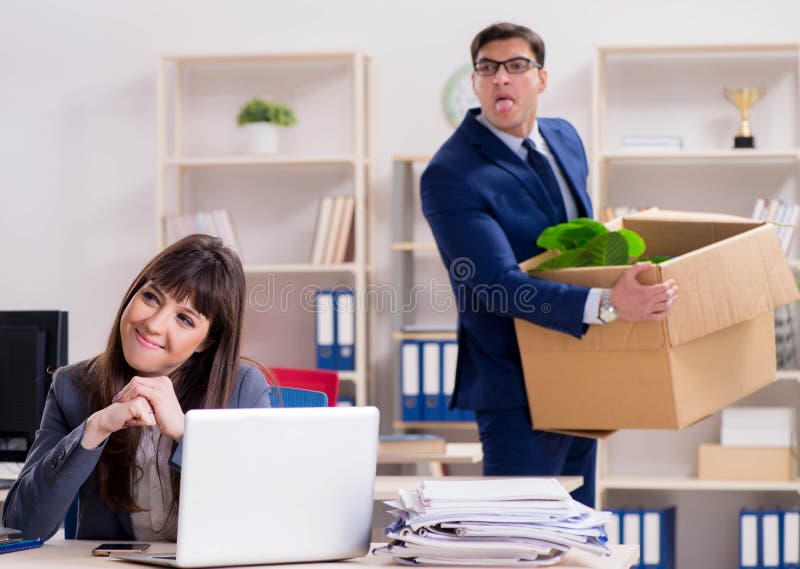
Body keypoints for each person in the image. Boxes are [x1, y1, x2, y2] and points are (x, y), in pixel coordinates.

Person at [421, 22, 678, 507]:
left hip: (581, 369)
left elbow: (579, 244)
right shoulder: (450, 174)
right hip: (514, 387)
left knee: (579, 529)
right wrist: (609, 304)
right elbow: (495, 286)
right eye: (488, 68)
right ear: (475, 82)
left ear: (541, 78)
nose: (501, 78)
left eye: (516, 66)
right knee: (521, 534)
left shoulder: (564, 138)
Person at [2, 234, 270, 541]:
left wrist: (188, 434)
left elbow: (263, 516)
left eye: (184, 319)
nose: (154, 324)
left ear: (207, 341)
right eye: (151, 297)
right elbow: (22, 526)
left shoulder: (242, 390)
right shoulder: (72, 387)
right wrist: (94, 429)